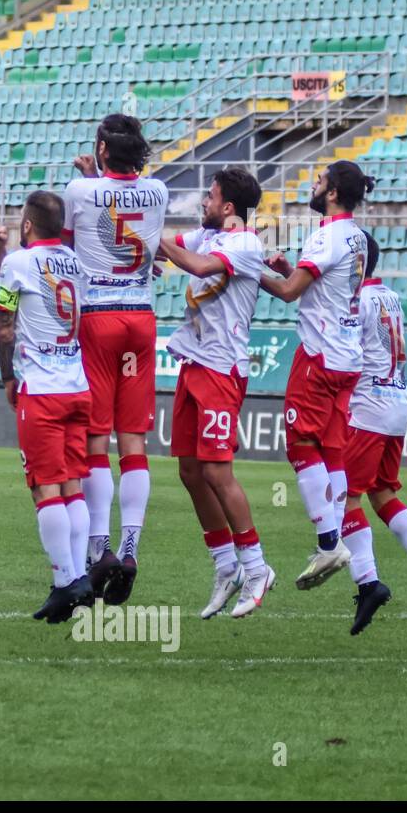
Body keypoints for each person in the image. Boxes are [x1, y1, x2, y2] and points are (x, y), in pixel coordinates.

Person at [157, 168, 276, 619]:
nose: (203, 203)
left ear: (228, 207)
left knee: (217, 471)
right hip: (194, 363)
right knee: (190, 471)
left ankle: (257, 566)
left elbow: (198, 267)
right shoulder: (208, 235)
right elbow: (173, 248)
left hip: (222, 370)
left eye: (209, 196)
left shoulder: (244, 243)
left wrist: (147, 231)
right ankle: (226, 565)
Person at [259, 161, 373, 609]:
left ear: (332, 192)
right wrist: (291, 271)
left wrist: (247, 271)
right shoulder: (358, 237)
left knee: (300, 443)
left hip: (319, 355)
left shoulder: (326, 235)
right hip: (348, 358)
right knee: (331, 449)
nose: (313, 183)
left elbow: (289, 293)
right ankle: (335, 537)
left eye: (320, 179)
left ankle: (329, 543)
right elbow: (318, 285)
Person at [63, 114, 168, 604]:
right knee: (134, 442)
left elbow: (66, 244)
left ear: (102, 149)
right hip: (141, 321)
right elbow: (119, 206)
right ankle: (131, 548)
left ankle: (99, 547)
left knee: (93, 440)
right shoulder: (159, 192)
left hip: (99, 320)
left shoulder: (78, 191)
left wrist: (87, 179)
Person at [338, 232, 407, 632]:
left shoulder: (358, 301)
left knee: (342, 497)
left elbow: (348, 355)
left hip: (368, 407)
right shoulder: (389, 296)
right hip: (398, 400)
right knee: (382, 493)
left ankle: (368, 582)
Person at [0, 191, 94, 623]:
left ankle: (65, 580)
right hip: (76, 386)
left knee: (43, 488)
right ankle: (77, 581)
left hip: (43, 391)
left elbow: (4, 328)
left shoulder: (18, 263)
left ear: (28, 224)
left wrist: (7, 377)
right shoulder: (76, 261)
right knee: (72, 484)